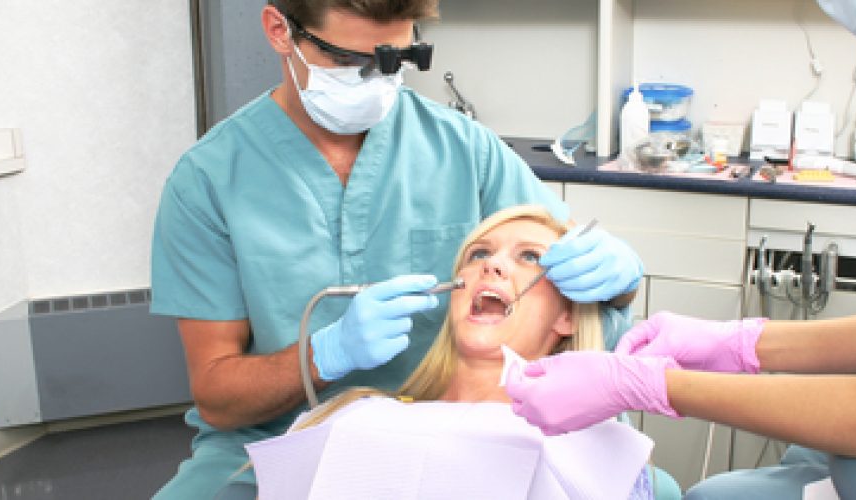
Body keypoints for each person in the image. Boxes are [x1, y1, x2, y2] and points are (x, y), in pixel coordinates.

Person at [506, 0, 856, 498]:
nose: (495, 272)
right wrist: (744, 344)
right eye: (478, 254)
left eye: (526, 257)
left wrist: (648, 386)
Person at [148, 1, 644, 498]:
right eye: (350, 62)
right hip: (275, 442)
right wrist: (325, 354)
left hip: (452, 427)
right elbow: (218, 399)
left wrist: (619, 279)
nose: (377, 81)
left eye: (397, 60)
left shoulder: (466, 151)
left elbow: (572, 286)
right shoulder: (208, 181)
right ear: (280, 31)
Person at [225, 205, 681, 499]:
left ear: (567, 317)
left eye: (530, 258)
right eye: (479, 253)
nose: (492, 263)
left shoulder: (595, 454)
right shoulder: (353, 416)